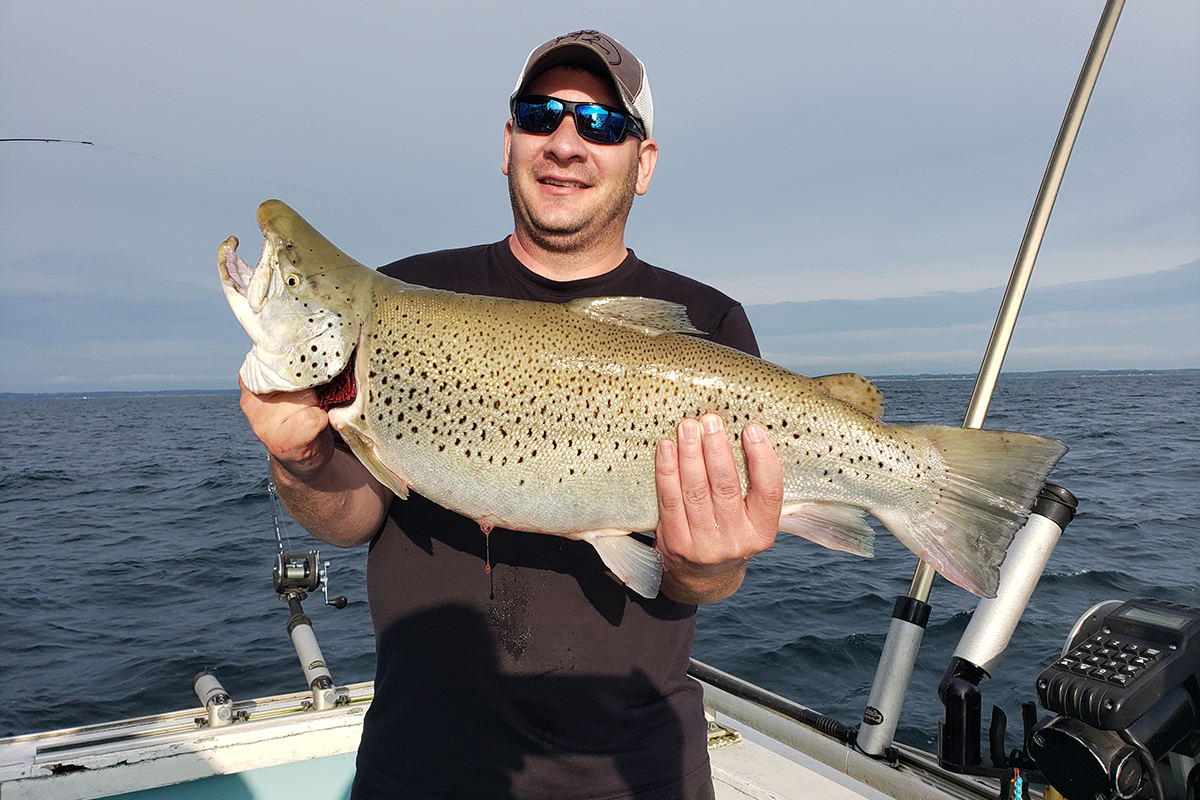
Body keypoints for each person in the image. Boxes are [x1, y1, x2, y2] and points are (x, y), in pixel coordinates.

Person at [239, 29, 785, 800]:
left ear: (644, 161)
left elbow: (702, 579)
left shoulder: (708, 326)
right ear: (508, 143)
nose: (565, 142)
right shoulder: (406, 293)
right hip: (417, 768)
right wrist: (301, 461)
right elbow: (353, 517)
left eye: (601, 124)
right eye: (539, 115)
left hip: (634, 776)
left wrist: (708, 564)